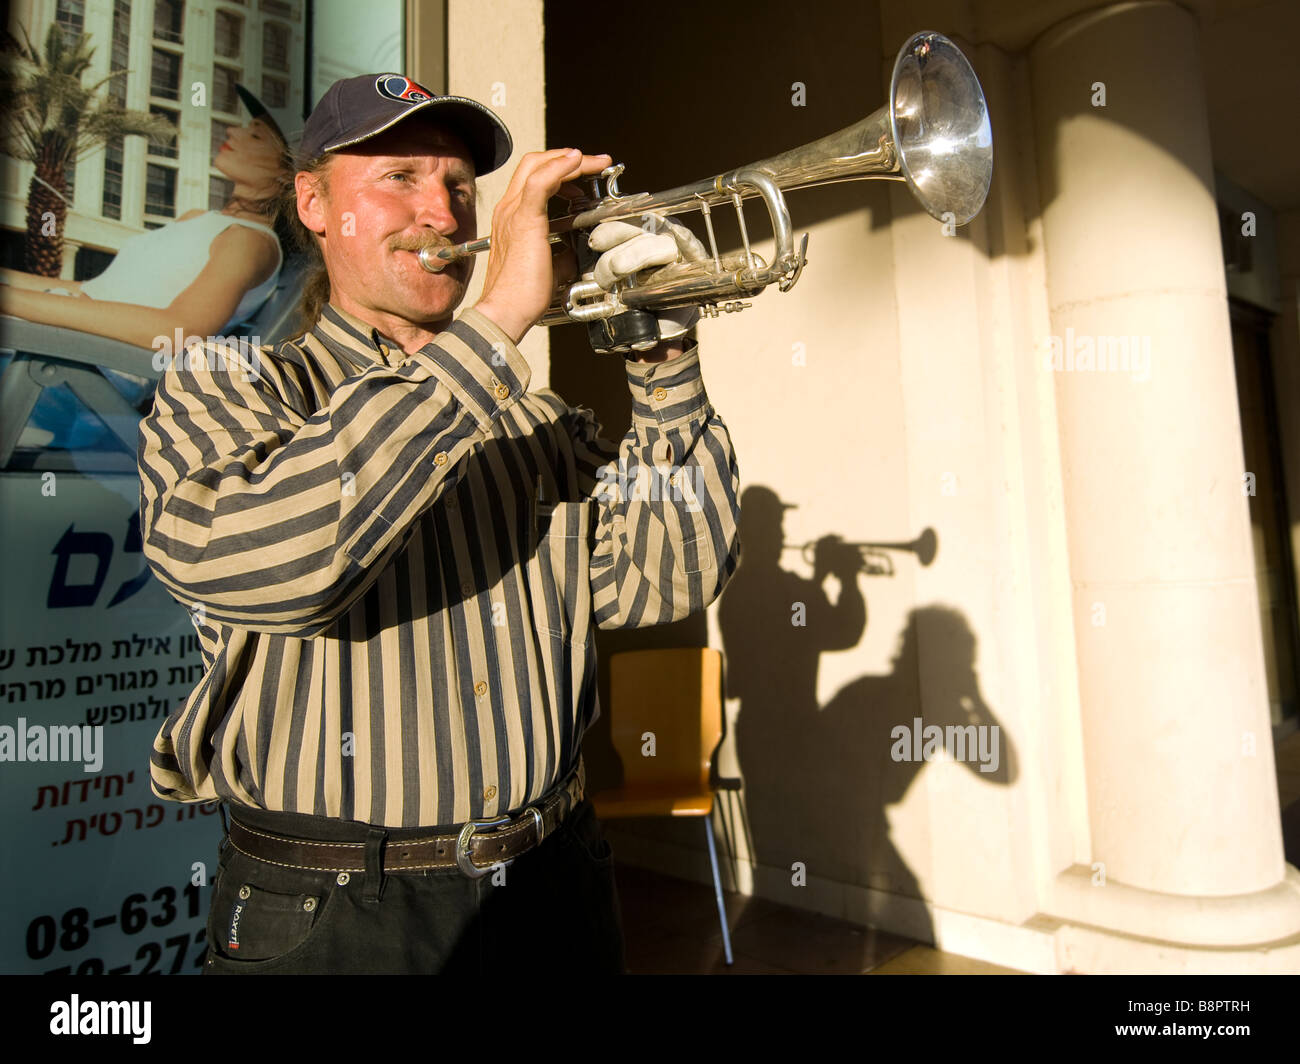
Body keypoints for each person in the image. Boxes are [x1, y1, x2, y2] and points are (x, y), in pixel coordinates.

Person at [136, 72, 742, 974]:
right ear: (313, 203)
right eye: (400, 178)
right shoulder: (232, 383)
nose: (444, 213)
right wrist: (498, 318)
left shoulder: (536, 421)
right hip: (334, 909)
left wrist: (662, 358)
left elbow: (667, 577)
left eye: (460, 187)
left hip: (557, 879)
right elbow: (258, 564)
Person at [0, 85, 290, 449]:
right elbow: (93, 291)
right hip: (41, 350)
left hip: (67, 374)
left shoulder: (250, 242)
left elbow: (176, 332)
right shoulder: (200, 219)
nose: (232, 132)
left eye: (255, 135)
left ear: (287, 172)